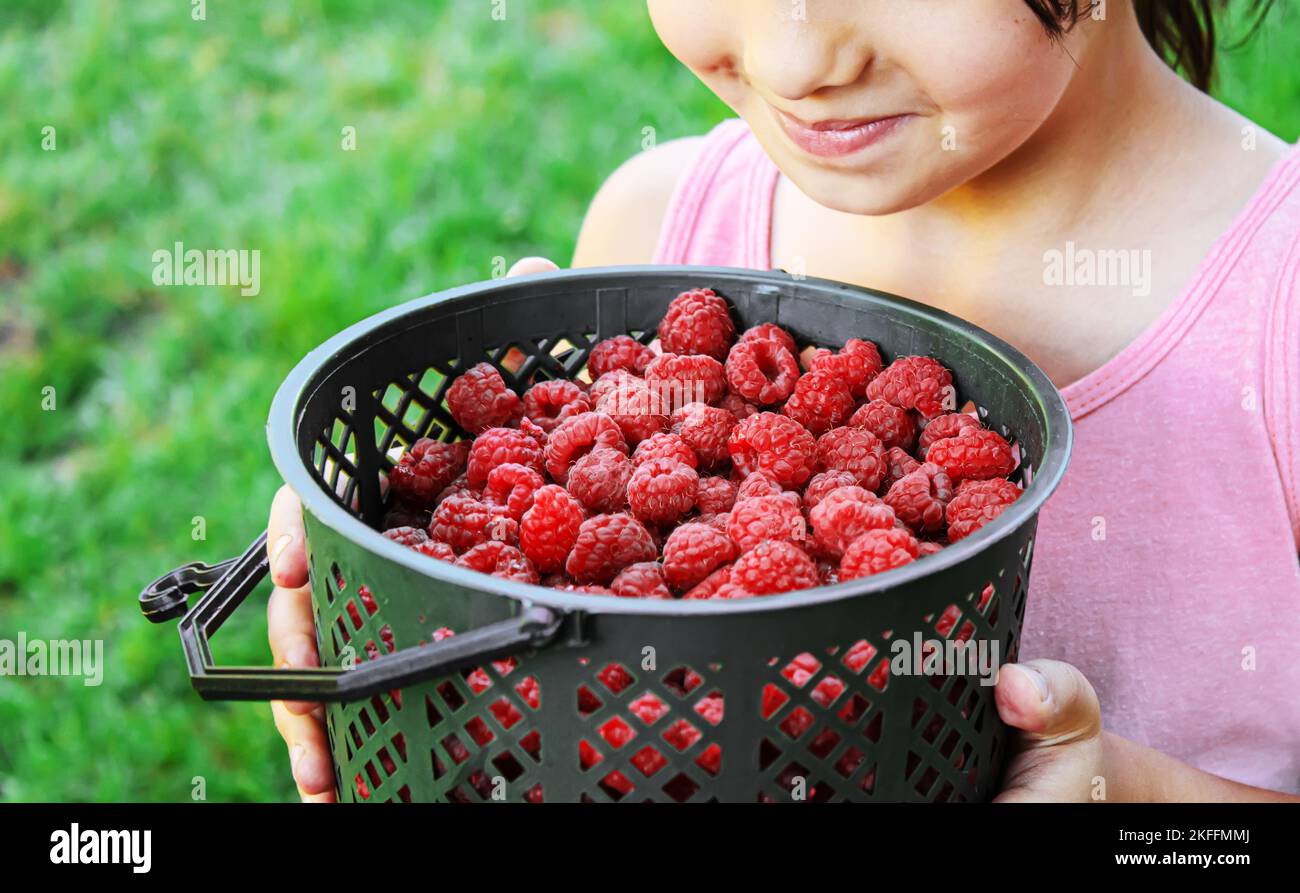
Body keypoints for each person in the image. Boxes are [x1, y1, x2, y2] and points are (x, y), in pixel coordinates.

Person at [266, 0, 1300, 801]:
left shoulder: (1277, 326)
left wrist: (1144, 800)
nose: (795, 58)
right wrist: (402, 589)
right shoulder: (657, 223)